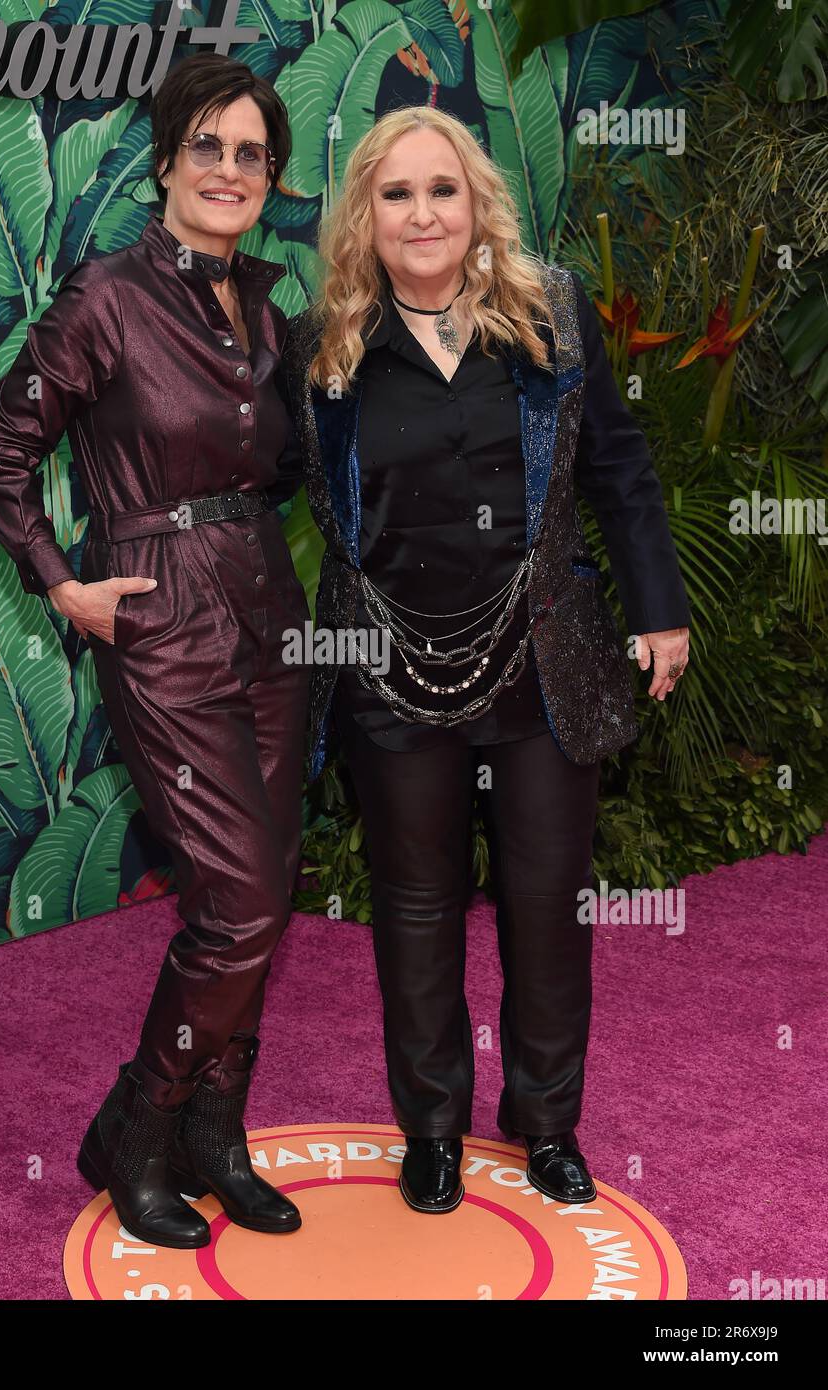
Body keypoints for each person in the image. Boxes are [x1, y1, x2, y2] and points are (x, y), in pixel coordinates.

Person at [276, 106, 691, 1213]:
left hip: (542, 661)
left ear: (477, 205)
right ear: (366, 213)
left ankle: (547, 1121)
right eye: (398, 193)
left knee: (546, 904)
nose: (423, 213)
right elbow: (251, 476)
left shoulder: (551, 315)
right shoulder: (326, 348)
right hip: (394, 677)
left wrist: (659, 606)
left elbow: (618, 465)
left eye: (442, 190)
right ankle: (434, 1130)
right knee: (415, 906)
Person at [0, 54, 311, 1247]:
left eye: (251, 154)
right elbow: (2, 452)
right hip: (158, 619)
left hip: (270, 614)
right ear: (165, 164)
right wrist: (63, 585)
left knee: (269, 895)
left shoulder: (269, 306)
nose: (228, 170)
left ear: (272, 180)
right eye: (206, 148)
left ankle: (219, 1132)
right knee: (240, 902)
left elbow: (300, 464)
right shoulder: (105, 298)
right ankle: (138, 1123)